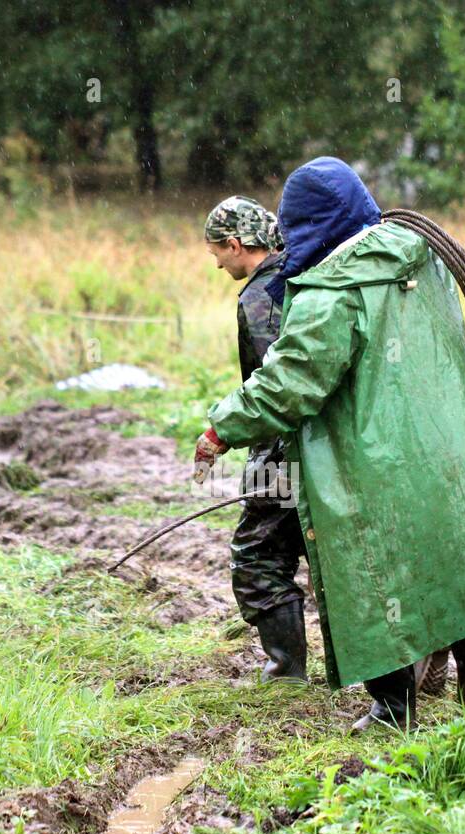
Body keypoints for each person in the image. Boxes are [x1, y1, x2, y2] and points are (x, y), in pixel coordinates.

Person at [193, 158, 465, 730]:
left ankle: (391, 709)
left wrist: (221, 428)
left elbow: (290, 383)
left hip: (367, 460)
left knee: (372, 576)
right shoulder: (426, 263)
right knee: (446, 554)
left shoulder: (331, 291)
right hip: (441, 448)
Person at [201, 196, 307, 682]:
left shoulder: (264, 294)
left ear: (237, 244)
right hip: (332, 442)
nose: (218, 263)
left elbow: (276, 389)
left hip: (288, 448)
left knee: (258, 554)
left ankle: (285, 673)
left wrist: (225, 432)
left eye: (217, 253)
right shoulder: (307, 272)